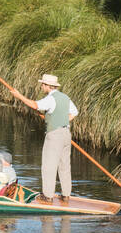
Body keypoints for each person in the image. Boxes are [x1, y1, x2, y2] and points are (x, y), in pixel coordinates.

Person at [12, 73, 78, 205]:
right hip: (66, 133)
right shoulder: (65, 97)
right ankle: (66, 195)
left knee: (49, 166)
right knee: (65, 166)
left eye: (43, 84)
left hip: (54, 135)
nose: (41, 86)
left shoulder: (50, 99)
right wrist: (61, 121)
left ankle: (47, 196)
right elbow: (75, 112)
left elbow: (35, 105)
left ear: (48, 86)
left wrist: (18, 96)